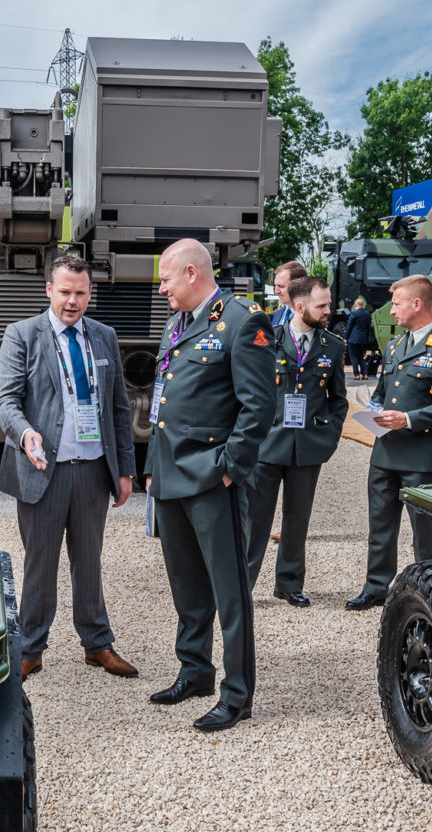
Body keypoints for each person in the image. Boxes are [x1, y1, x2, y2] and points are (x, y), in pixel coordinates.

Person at [145, 238, 275, 731]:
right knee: (186, 585)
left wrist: (229, 467)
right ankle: (195, 670)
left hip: (211, 478)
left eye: (166, 278)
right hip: (173, 476)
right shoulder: (177, 323)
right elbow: (164, 400)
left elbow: (259, 406)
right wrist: (156, 467)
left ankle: (237, 693)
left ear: (193, 274)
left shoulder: (242, 321)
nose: (162, 289)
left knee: (229, 592)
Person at [0, 254, 139, 680]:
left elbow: (117, 407)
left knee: (89, 560)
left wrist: (125, 468)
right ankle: (30, 649)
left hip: (93, 469)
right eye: (65, 292)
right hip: (43, 469)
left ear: (90, 293)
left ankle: (97, 644)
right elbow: (5, 401)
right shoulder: (21, 335)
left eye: (80, 293)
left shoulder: (104, 336)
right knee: (41, 562)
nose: (72, 301)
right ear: (48, 291)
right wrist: (25, 434)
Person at [346, 275, 432, 611]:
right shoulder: (396, 346)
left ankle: (427, 593)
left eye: (397, 303)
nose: (392, 310)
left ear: (417, 304)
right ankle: (376, 587)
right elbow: (383, 391)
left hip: (420, 455)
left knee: (423, 532)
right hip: (385, 452)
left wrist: (408, 419)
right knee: (380, 526)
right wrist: (374, 410)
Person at [245, 275, 349, 607]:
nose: (328, 310)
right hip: (267, 444)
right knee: (254, 521)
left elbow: (339, 400)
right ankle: (241, 585)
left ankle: (289, 583)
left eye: (328, 303)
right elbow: (246, 392)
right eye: (322, 305)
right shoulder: (267, 340)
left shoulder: (333, 345)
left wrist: (329, 438)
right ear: (299, 306)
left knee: (297, 519)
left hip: (308, 446)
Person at [342, 297, 376, 379]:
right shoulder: (368, 314)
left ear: (355, 305)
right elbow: (369, 329)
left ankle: (356, 375)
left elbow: (349, 327)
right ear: (363, 305)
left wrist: (345, 338)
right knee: (362, 357)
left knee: (354, 357)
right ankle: (365, 374)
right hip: (363, 339)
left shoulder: (353, 314)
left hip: (353, 339)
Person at [270, 260, 306, 331]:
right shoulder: (278, 314)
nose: (276, 291)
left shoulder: (310, 317)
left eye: (281, 286)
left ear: (298, 286)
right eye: (275, 286)